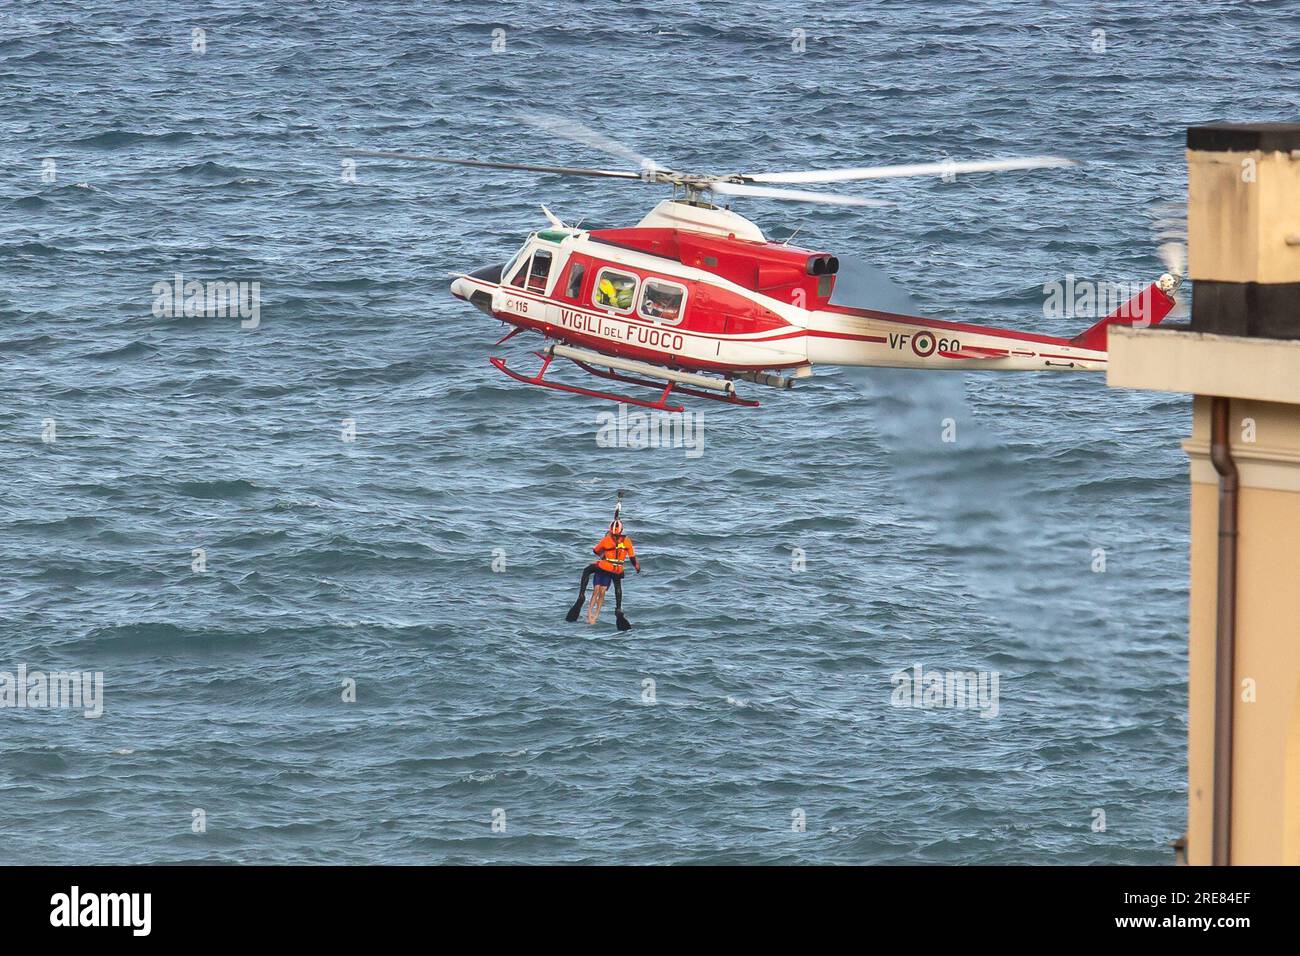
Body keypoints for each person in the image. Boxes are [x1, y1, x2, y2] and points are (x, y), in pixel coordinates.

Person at [566, 519, 639, 628]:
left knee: (587, 571)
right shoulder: (627, 541)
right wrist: (636, 566)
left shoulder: (607, 540)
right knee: (617, 586)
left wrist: (603, 554)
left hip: (604, 566)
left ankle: (581, 596)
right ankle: (618, 609)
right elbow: (632, 558)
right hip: (617, 570)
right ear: (621, 530)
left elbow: (595, 550)